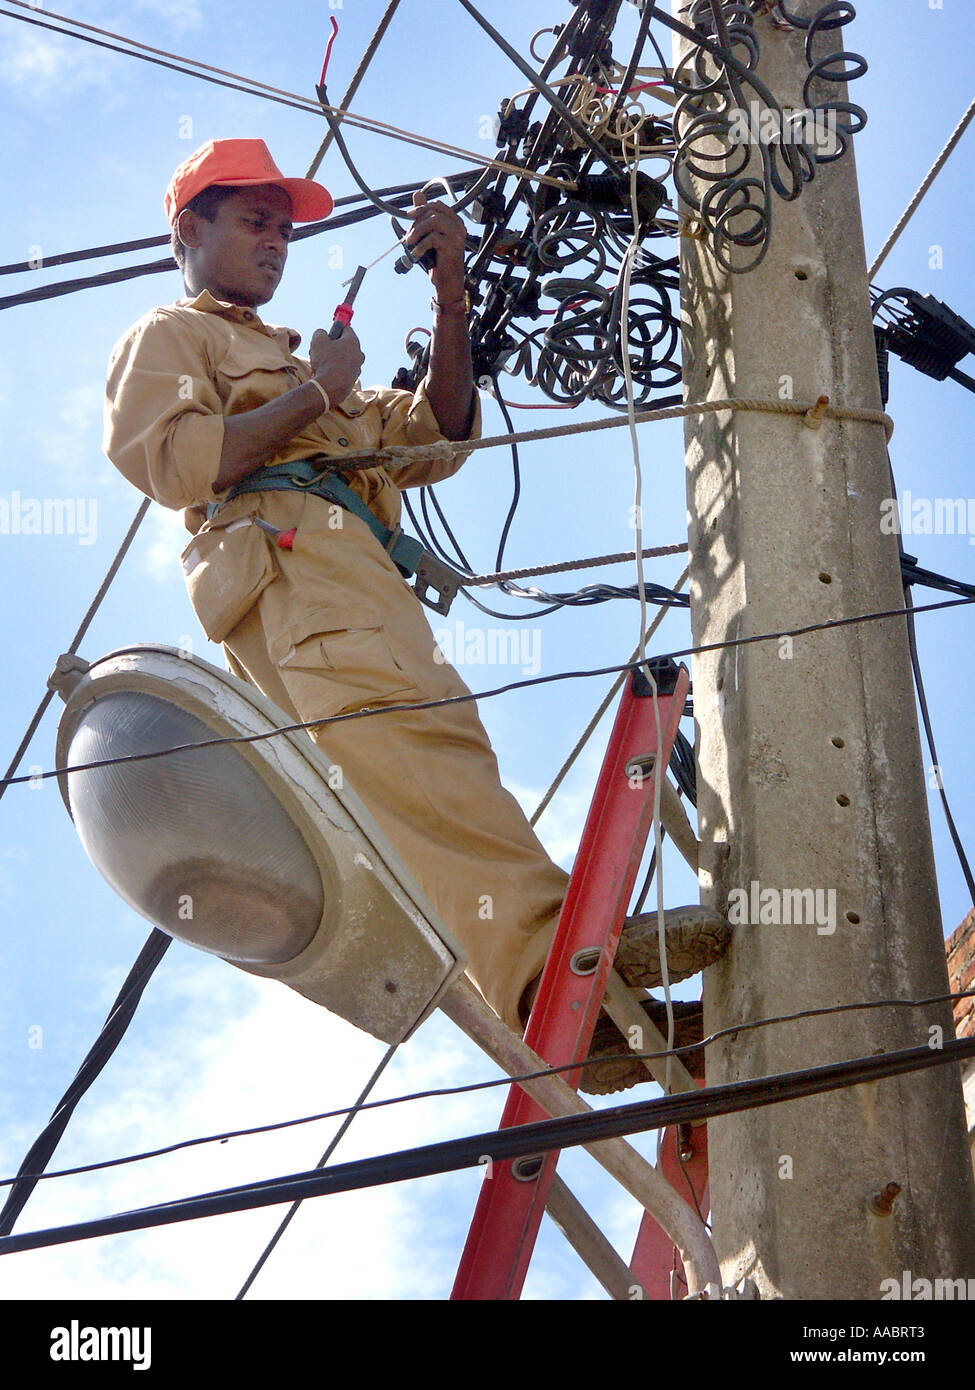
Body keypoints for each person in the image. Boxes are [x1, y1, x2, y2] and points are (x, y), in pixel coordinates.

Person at [103, 139, 726, 1092]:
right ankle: (544, 975)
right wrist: (319, 391)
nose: (276, 244)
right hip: (293, 572)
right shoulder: (174, 336)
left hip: (353, 582)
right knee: (413, 765)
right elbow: (180, 462)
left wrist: (450, 296)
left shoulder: (297, 357)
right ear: (189, 231)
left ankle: (583, 1003)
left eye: (284, 228)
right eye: (253, 223)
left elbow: (436, 432)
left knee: (444, 759)